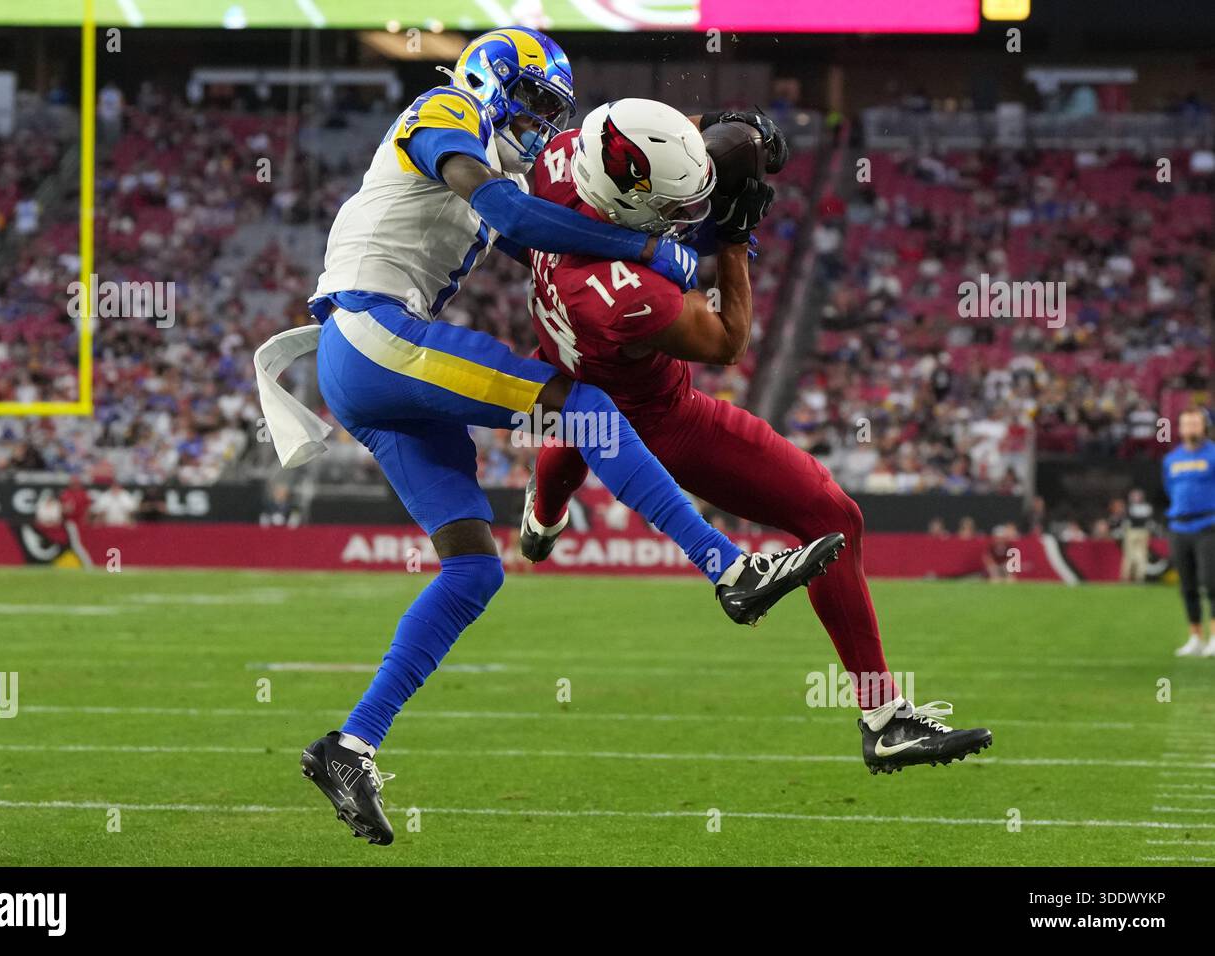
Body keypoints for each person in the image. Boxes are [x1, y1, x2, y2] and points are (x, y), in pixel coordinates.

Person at [264, 30, 845, 846]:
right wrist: (649, 248)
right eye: (533, 101)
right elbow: (511, 213)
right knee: (586, 408)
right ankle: (729, 570)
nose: (539, 124)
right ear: (491, 78)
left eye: (551, 111)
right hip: (370, 334)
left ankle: (348, 745)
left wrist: (685, 233)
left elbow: (537, 229)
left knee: (473, 569)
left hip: (367, 365)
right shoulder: (443, 110)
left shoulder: (490, 165)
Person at [518, 98, 990, 775]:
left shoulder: (569, 158)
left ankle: (542, 518)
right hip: (659, 421)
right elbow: (730, 339)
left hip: (563, 359)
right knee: (834, 516)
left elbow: (648, 159)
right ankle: (885, 721)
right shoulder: (623, 296)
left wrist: (724, 144)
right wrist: (734, 238)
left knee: (578, 408)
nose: (684, 216)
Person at [1165, 409, 1215, 657]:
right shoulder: (1172, 459)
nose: (1191, 428)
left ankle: (1214, 636)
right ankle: (1195, 636)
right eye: (1187, 424)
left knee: (1211, 581)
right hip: (1179, 527)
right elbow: (1168, 488)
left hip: (1209, 524)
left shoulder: (1213, 454)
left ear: (1204, 427)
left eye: (1195, 423)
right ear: (1181, 428)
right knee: (1187, 586)